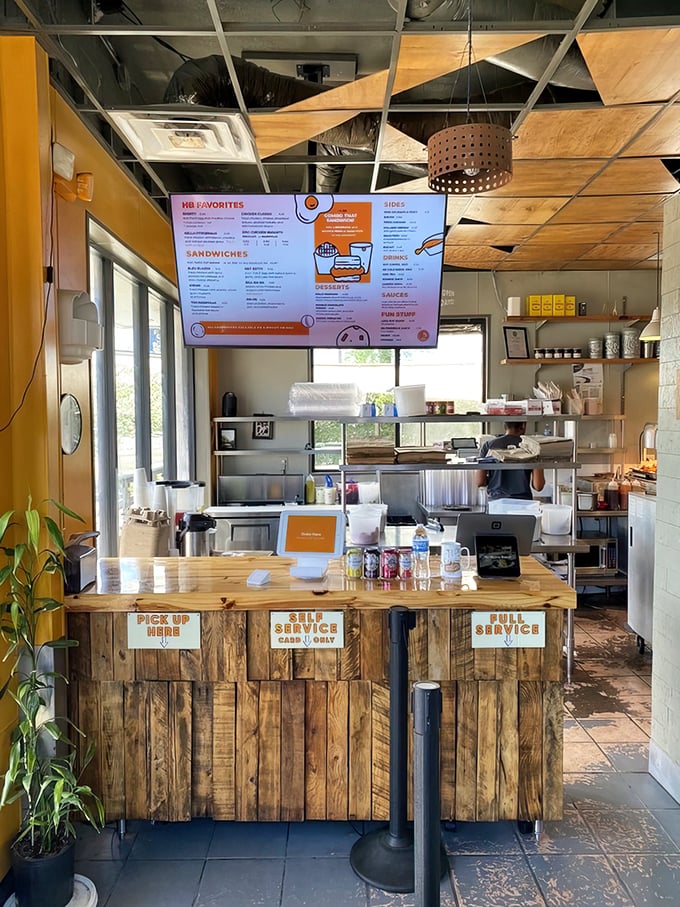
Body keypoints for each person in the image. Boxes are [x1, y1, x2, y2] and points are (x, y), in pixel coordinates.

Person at [476, 422, 545, 502]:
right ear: (523, 425)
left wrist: (494, 478)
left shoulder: (488, 446)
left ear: (505, 425)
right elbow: (538, 486)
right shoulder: (532, 447)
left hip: (496, 502)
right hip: (523, 503)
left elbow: (480, 482)